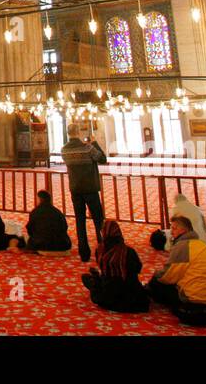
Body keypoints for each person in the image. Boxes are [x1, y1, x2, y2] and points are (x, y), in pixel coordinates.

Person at [146, 214, 206, 325]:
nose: (171, 231)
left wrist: (154, 279)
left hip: (195, 297)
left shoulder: (183, 246)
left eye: (174, 228)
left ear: (183, 230)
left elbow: (168, 276)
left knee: (157, 283)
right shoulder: (202, 245)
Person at [61, 125, 107, 262]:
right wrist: (94, 143)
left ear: (68, 134)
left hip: (75, 189)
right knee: (98, 221)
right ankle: (103, 250)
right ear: (78, 132)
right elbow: (102, 159)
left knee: (80, 221)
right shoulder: (88, 148)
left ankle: (84, 253)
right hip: (90, 189)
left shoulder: (64, 150)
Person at [83, 220, 149, 313]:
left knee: (89, 279)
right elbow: (138, 268)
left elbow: (105, 272)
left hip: (109, 299)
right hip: (134, 300)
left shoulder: (101, 251)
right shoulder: (128, 251)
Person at [26, 189, 72, 254]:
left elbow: (30, 229)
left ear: (39, 199)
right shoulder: (57, 212)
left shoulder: (35, 212)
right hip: (60, 244)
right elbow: (64, 227)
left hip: (40, 244)